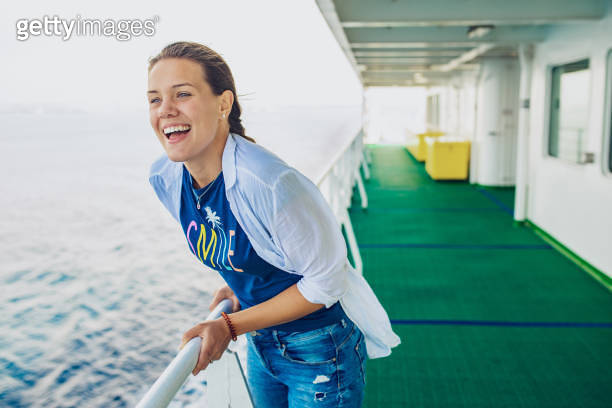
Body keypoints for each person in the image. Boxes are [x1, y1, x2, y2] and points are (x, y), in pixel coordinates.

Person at [147, 41, 400, 408]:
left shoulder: (270, 183)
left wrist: (228, 326)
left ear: (223, 104)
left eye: (182, 94)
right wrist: (240, 287)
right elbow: (245, 247)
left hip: (319, 348)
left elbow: (326, 282)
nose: (165, 110)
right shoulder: (166, 179)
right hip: (261, 341)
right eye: (154, 99)